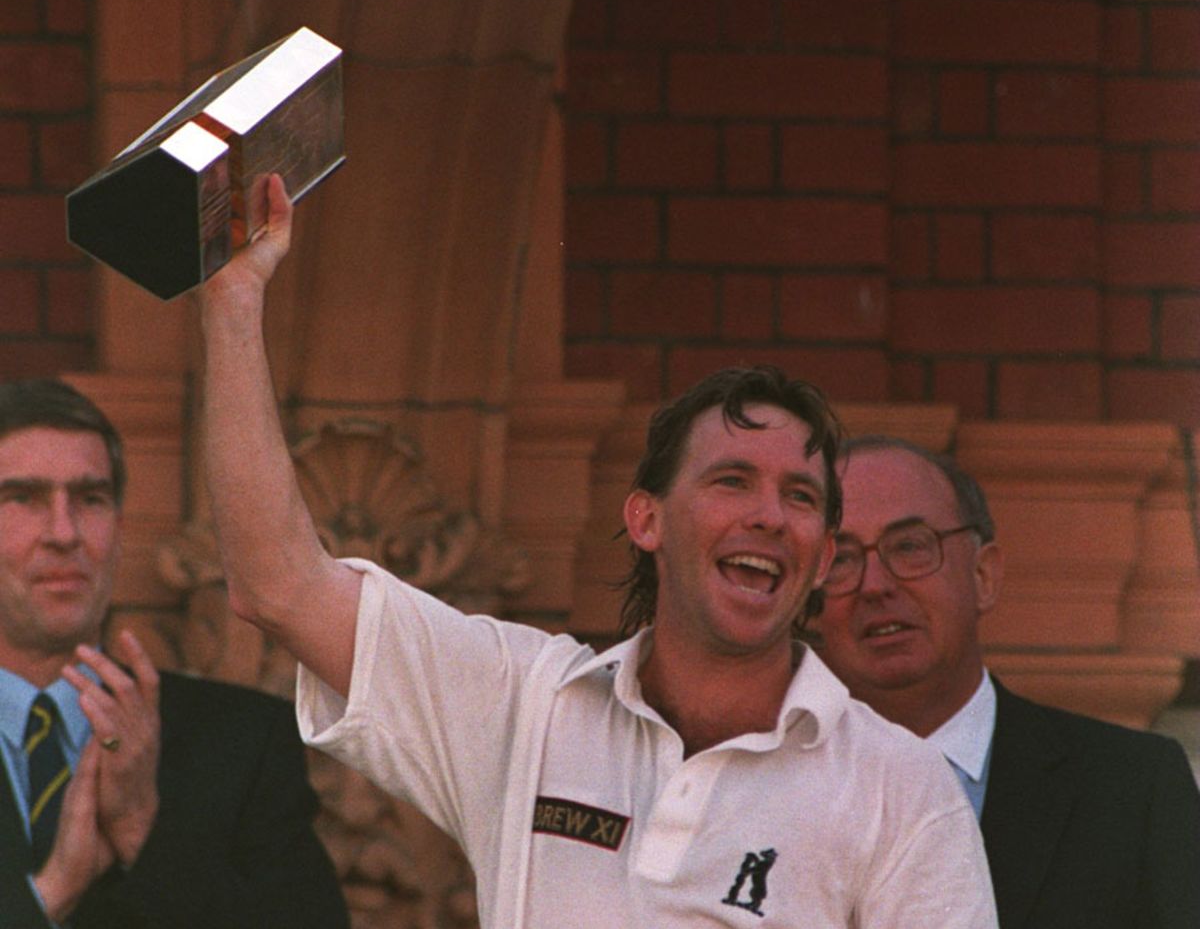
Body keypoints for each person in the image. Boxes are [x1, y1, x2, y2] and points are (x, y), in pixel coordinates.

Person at [197, 174, 999, 927]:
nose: (769, 515)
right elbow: (279, 586)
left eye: (800, 497)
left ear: (823, 558)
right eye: (732, 480)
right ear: (646, 519)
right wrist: (234, 301)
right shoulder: (528, 705)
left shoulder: (901, 788)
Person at [0, 377, 349, 929]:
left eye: (90, 498)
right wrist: (52, 892)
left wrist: (143, 830)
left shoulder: (241, 739)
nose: (64, 533)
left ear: (118, 528)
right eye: (22, 497)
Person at [812, 434, 1200, 929]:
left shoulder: (1133, 788)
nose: (876, 584)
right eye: (842, 559)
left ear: (984, 575)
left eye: (909, 547)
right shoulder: (769, 790)